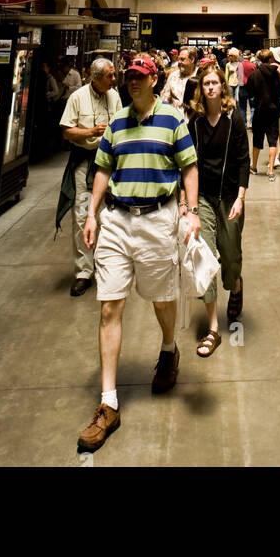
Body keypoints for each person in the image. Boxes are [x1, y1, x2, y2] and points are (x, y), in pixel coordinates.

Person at [77, 55, 201, 453]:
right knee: (109, 306)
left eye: (137, 77)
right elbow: (101, 168)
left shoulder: (173, 120)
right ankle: (109, 402)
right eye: (127, 76)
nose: (130, 81)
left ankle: (168, 349)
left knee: (162, 299)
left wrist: (192, 211)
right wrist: (92, 213)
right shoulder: (116, 122)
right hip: (116, 219)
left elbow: (189, 168)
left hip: (157, 221)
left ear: (153, 80)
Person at [185, 63, 250, 356]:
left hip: (229, 196)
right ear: (201, 88)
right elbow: (188, 163)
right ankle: (213, 328)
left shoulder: (233, 118)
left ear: (223, 86)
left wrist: (240, 197)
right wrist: (189, 204)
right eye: (206, 83)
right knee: (205, 257)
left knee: (231, 255)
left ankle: (235, 285)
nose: (211, 87)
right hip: (204, 199)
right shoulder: (195, 122)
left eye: (215, 82)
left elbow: (243, 159)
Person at [56, 57, 122, 296]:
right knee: (83, 214)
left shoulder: (114, 96)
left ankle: (107, 265)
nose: (114, 80)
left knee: (111, 215)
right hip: (84, 162)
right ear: (96, 77)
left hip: (110, 162)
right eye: (109, 76)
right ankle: (84, 271)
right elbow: (66, 132)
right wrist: (91, 132)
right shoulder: (77, 97)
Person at [247, 49, 280, 180]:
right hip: (273, 112)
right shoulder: (277, 74)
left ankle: (254, 166)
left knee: (257, 140)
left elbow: (249, 91)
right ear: (271, 59)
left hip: (259, 111)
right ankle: (271, 170)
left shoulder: (254, 74)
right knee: (273, 142)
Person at [162, 46, 199, 113]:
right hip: (175, 119)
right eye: (178, 59)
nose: (179, 62)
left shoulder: (200, 76)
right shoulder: (173, 76)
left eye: (182, 59)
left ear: (192, 59)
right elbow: (165, 98)